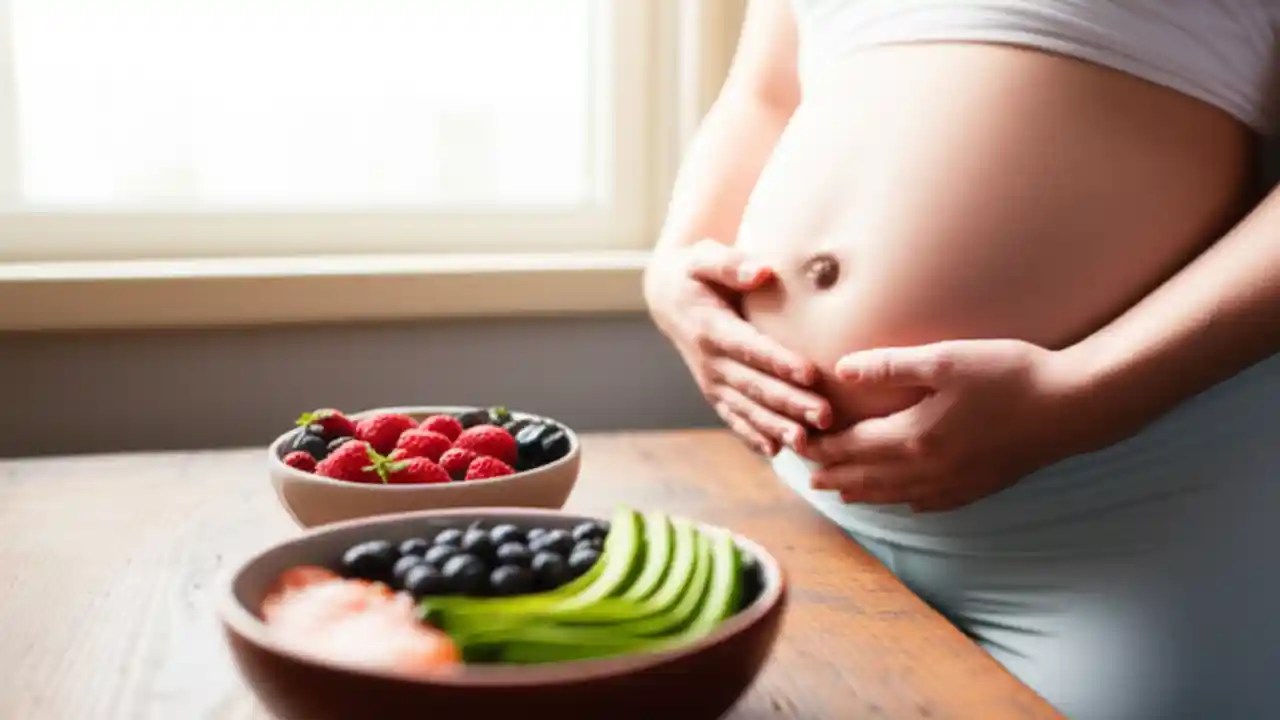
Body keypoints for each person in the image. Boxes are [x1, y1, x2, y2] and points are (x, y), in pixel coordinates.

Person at [643, 2, 1280, 718]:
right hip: (809, 512)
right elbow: (766, 93)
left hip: (1122, 517)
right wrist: (674, 263)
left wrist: (1084, 394)